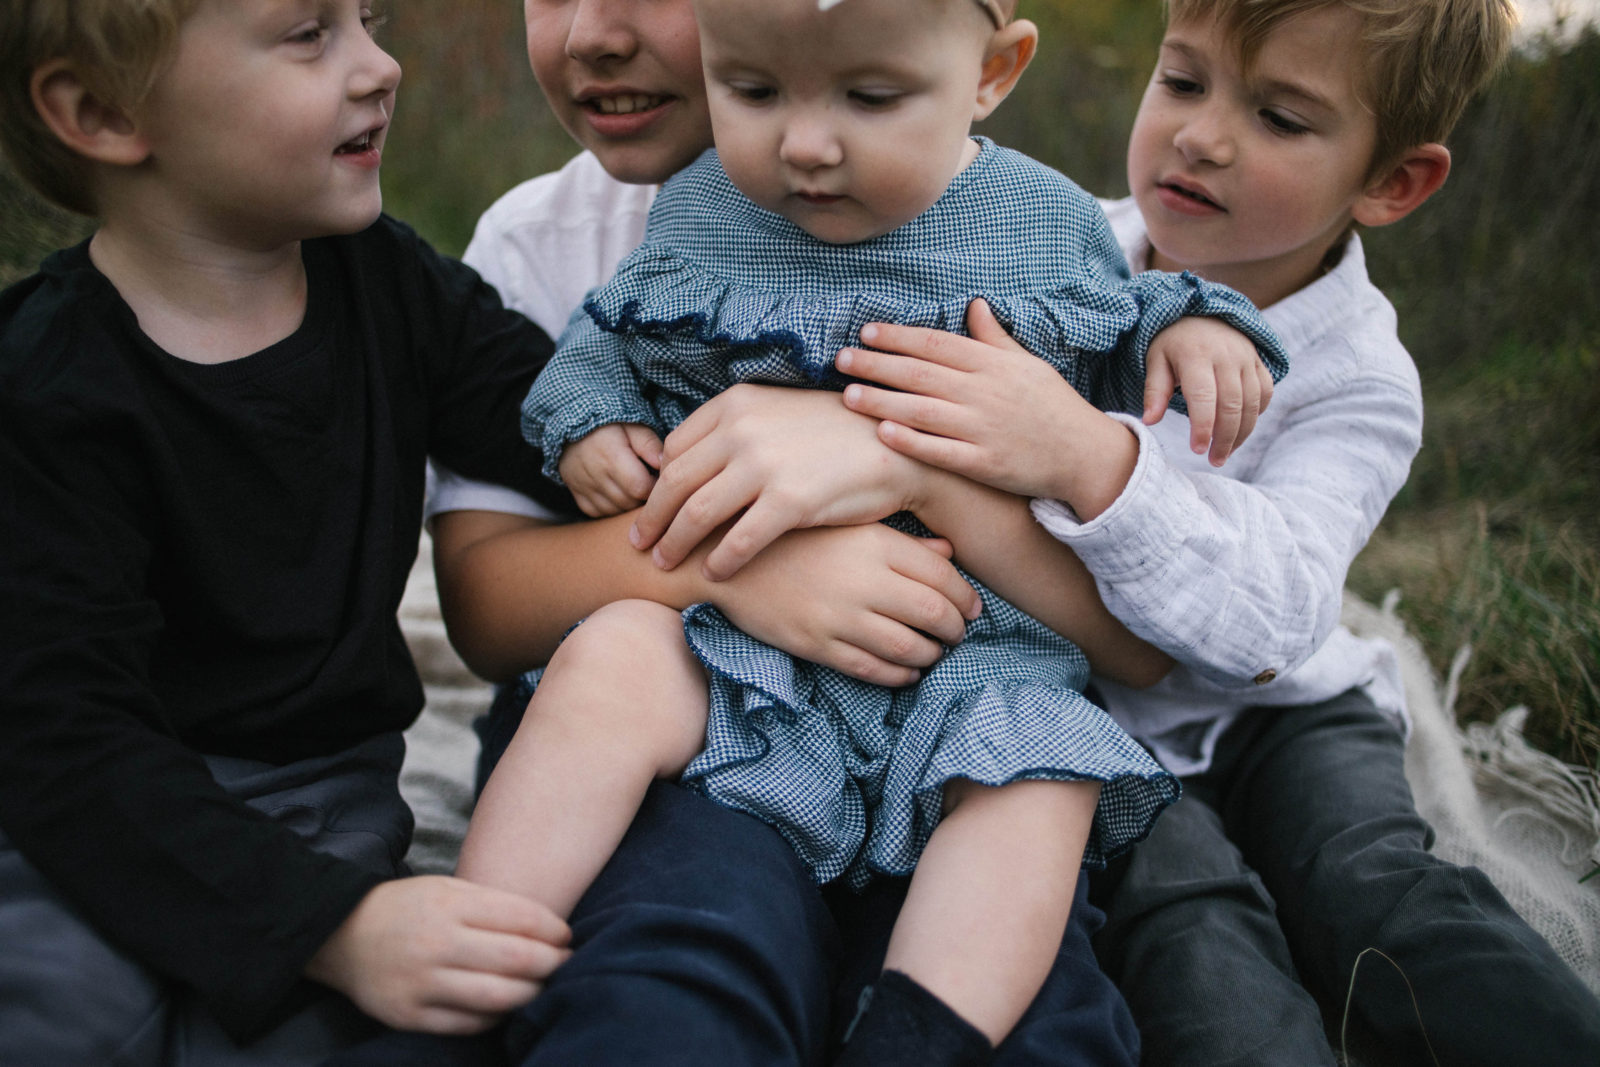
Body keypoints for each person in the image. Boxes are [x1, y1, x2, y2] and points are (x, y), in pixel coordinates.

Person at [456, 0, 1294, 1060]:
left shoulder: (1041, 222)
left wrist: (1197, 321)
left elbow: (1118, 323)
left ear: (992, 74)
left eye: (870, 97)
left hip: (969, 649)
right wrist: (589, 417)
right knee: (612, 659)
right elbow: (608, 332)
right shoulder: (701, 208)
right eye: (754, 93)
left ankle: (924, 1031)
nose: (805, 143)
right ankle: (469, 950)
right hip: (733, 649)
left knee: (1038, 779)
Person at [789, 0, 1600, 1061]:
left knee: (1375, 891)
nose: (1202, 136)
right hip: (1089, 709)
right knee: (1195, 929)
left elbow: (1278, 616)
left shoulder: (1358, 374)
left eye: (1280, 118)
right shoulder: (1041, 243)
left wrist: (1085, 454)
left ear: (1389, 182)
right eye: (1182, 81)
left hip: (1289, 714)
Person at [0, 0, 595, 1062]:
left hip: (323, 799)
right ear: (100, 110)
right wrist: (332, 924)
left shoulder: (390, 285)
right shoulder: (44, 391)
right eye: (309, 34)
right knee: (61, 1008)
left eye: (369, 19)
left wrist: (652, 435)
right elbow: (59, 737)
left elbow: (550, 414)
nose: (381, 67)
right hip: (85, 809)